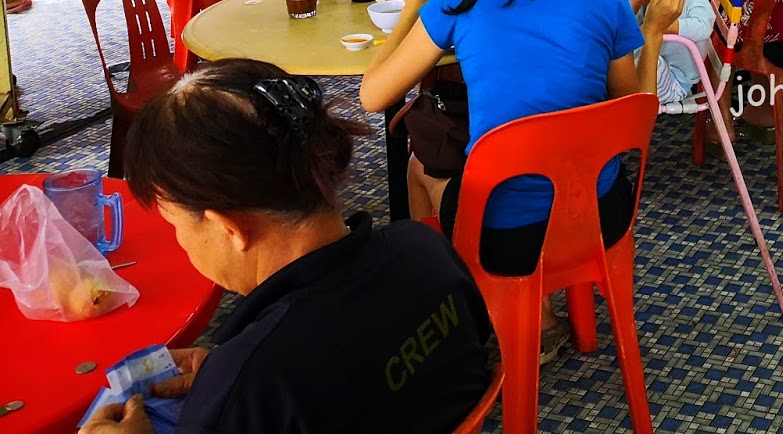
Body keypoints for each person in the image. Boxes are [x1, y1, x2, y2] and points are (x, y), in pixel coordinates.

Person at [360, 0, 682, 356]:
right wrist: (654, 30)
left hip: (503, 235)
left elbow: (372, 95)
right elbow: (633, 117)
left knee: (419, 168)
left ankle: (457, 319)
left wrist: (413, 4)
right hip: (601, 218)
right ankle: (544, 311)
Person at [88, 58, 494, 434]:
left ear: (229, 228)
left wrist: (231, 384)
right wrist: (227, 378)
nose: (179, 240)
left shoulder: (254, 385)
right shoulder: (427, 250)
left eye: (174, 222)